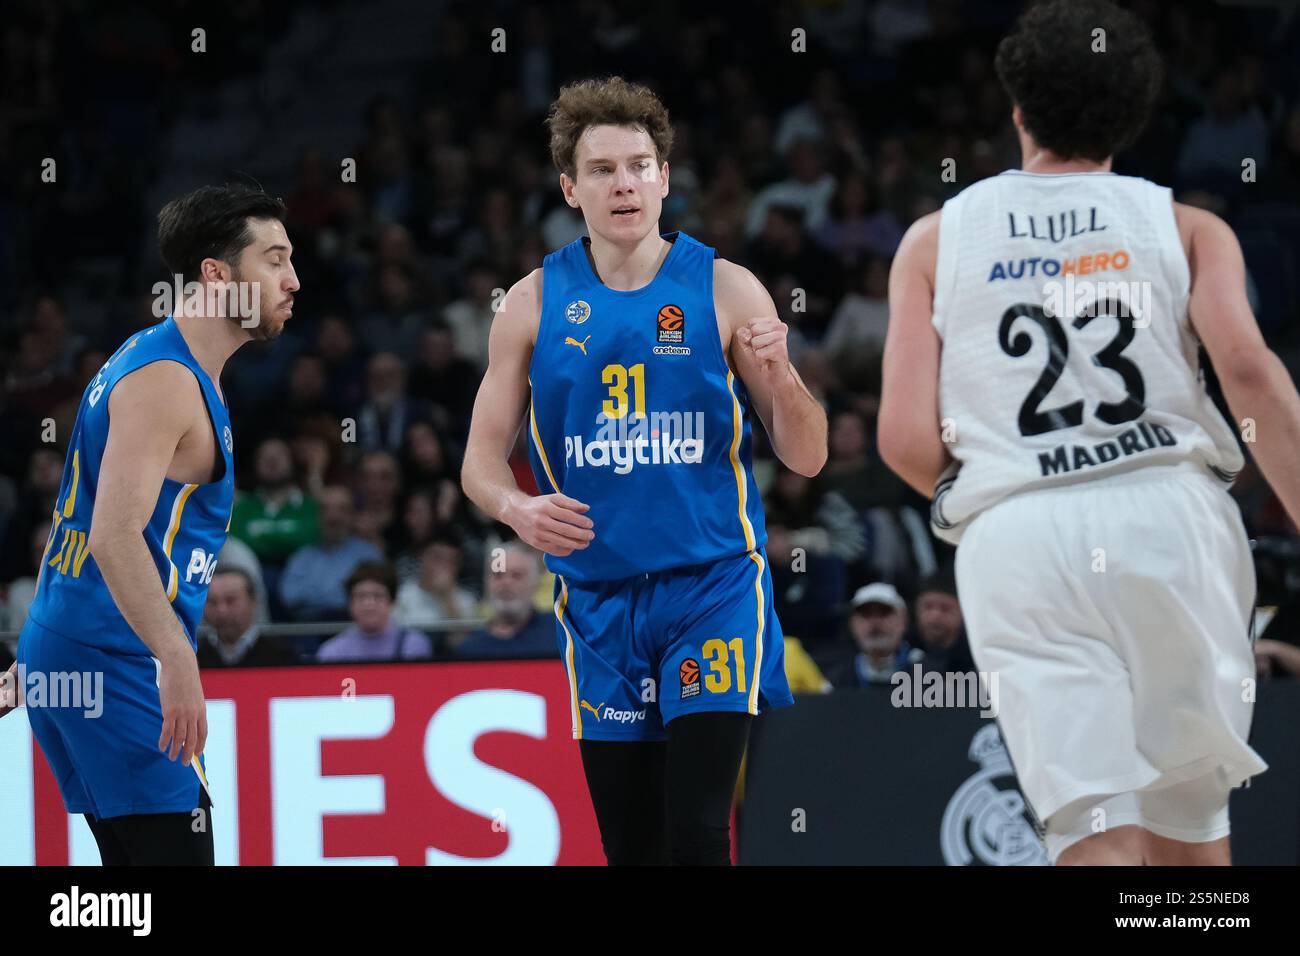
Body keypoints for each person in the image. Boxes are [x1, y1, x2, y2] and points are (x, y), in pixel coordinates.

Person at [879, 0, 1297, 866]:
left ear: (1018, 109)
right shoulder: (1187, 226)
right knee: (1191, 821)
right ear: (1135, 116)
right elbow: (1251, 377)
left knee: (1092, 826)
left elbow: (903, 441)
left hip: (1019, 533)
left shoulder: (933, 240)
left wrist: (984, 495)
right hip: (1169, 514)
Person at [461, 76, 826, 865]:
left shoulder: (726, 288)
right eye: (601, 169)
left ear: (664, 176)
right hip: (597, 601)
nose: (623, 182)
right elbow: (479, 463)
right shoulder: (529, 302)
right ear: (570, 187)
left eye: (638, 165)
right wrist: (517, 511)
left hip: (713, 587)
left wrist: (788, 381)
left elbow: (808, 454)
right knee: (631, 845)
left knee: (695, 830)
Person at [2, 183, 299, 865]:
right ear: (217, 275)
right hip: (115, 660)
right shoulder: (167, 381)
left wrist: (42, 651)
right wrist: (177, 656)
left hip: (78, 645)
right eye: (275, 259)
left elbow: (75, 521)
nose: (293, 280)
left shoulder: (153, 354)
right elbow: (109, 534)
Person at [453, 541, 555, 660]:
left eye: (516, 575)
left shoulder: (560, 635)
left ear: (535, 583)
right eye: (498, 575)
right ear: (486, 582)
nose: (506, 583)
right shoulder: (469, 649)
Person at [315, 561, 433, 662]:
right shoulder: (331, 652)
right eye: (361, 596)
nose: (369, 604)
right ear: (350, 604)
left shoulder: (413, 644)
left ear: (393, 602)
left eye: (377, 596)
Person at [821, 583, 922, 688]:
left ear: (903, 621)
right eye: (866, 614)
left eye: (884, 613)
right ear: (852, 624)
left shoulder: (926, 671)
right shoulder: (836, 681)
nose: (875, 623)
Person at [199, 567, 298, 667]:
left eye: (230, 600)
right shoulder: (194, 655)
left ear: (253, 601)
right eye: (212, 601)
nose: (221, 610)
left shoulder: (282, 654)